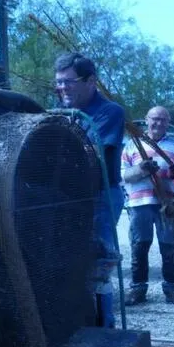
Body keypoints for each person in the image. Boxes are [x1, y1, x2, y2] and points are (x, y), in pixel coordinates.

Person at [55, 53, 125, 327]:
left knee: (98, 261)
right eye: (59, 82)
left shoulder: (109, 112)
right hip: (68, 196)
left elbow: (92, 156)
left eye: (69, 82)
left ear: (91, 81)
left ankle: (104, 327)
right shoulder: (59, 111)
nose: (62, 88)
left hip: (100, 196)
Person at [120, 106, 174, 306]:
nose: (158, 123)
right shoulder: (132, 145)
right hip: (139, 203)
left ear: (168, 122)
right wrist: (141, 169)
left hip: (167, 204)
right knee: (139, 246)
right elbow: (123, 175)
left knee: (169, 247)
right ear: (146, 119)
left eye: (163, 119)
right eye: (154, 119)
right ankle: (138, 289)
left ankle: (172, 289)